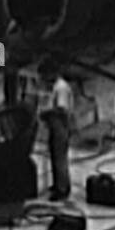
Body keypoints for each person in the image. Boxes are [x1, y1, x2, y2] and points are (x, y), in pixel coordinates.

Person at [39, 58, 73, 202]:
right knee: (54, 157)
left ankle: (62, 189)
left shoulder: (61, 88)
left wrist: (47, 113)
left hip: (60, 127)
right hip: (55, 126)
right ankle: (58, 184)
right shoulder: (55, 86)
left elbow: (62, 109)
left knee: (60, 159)